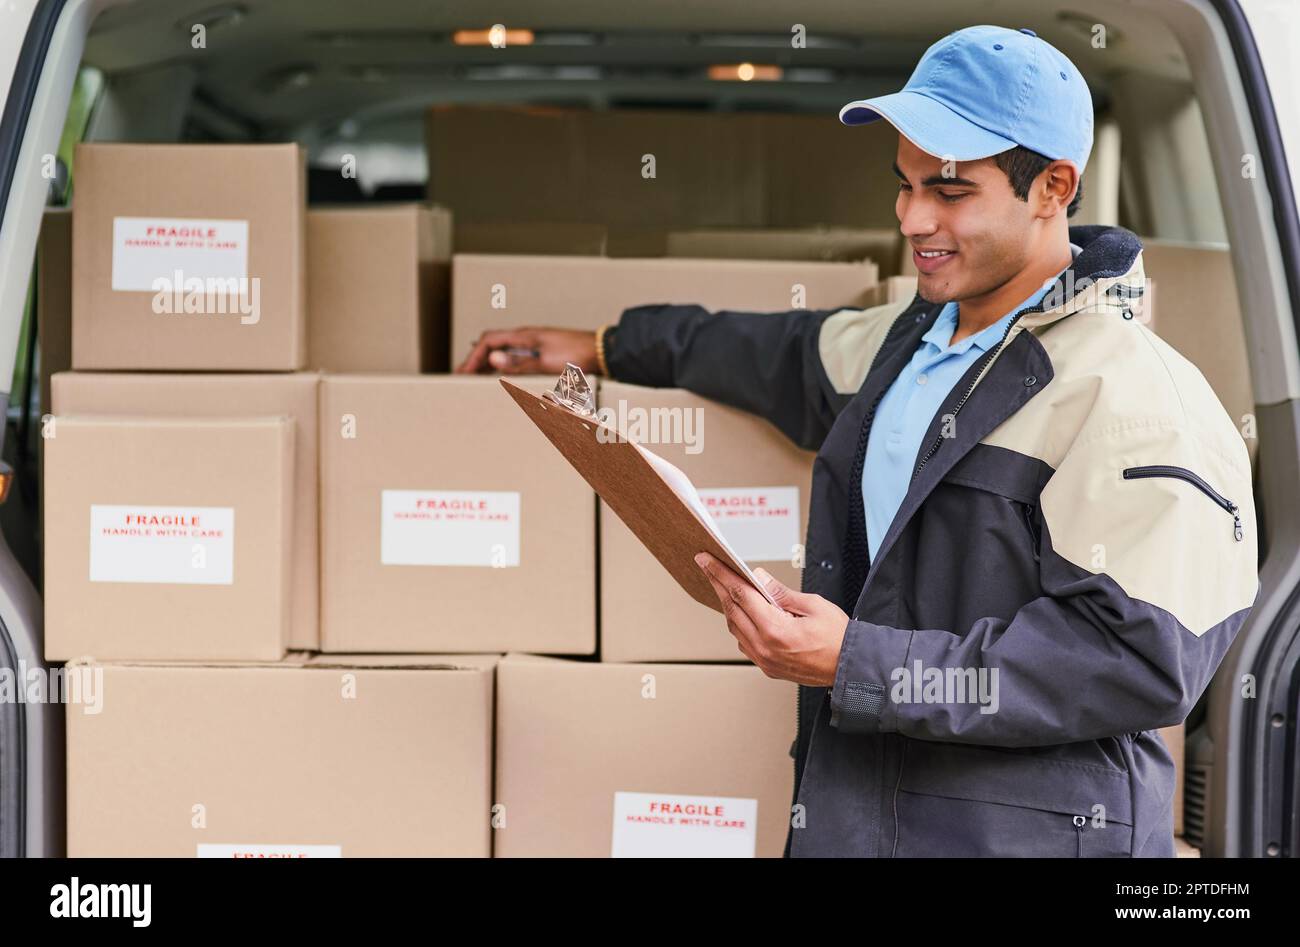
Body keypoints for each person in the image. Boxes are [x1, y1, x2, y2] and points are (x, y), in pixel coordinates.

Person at [457, 24, 1260, 857]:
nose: (913, 218)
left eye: (950, 191)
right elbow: (773, 352)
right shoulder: (910, 343)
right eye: (904, 184)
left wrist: (860, 662)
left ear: (1053, 187)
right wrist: (607, 344)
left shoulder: (1135, 399)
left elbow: (1133, 662)